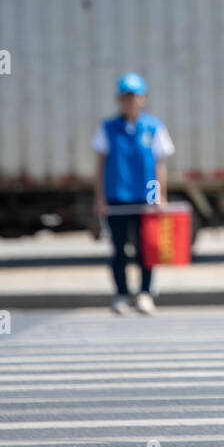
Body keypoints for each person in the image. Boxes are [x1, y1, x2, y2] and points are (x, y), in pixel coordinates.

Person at [92, 73, 175, 315]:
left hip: (146, 197)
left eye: (135, 97)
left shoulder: (153, 127)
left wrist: (161, 196)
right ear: (119, 99)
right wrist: (100, 197)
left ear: (143, 99)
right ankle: (120, 294)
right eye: (126, 97)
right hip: (117, 197)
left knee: (146, 248)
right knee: (119, 249)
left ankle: (146, 293)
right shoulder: (108, 128)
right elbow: (100, 164)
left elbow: (160, 165)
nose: (131, 102)